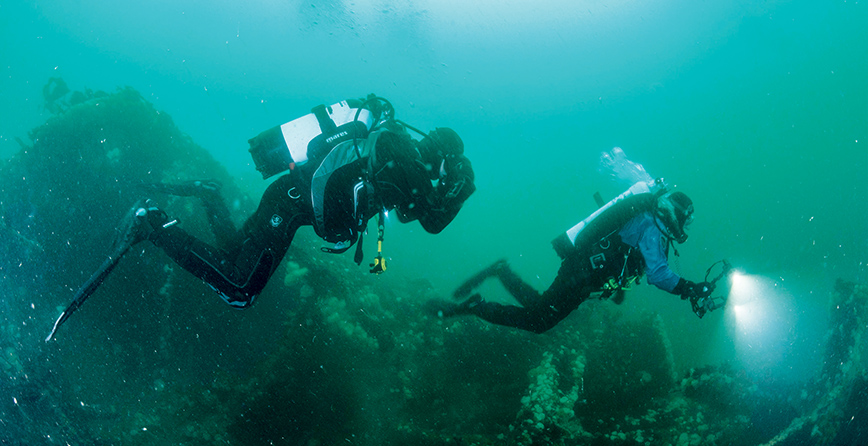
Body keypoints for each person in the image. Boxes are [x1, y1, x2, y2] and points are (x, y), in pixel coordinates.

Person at [122, 99, 475, 310]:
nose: (442, 179)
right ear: (442, 158)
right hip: (289, 206)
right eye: (446, 170)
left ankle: (210, 194)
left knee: (232, 251)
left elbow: (409, 211)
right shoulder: (408, 162)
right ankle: (150, 222)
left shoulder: (396, 153)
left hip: (288, 196)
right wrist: (463, 186)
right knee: (240, 289)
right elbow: (432, 220)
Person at [430, 181, 711, 334]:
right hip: (583, 273)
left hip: (585, 272)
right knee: (539, 321)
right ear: (678, 215)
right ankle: (473, 307)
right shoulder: (653, 226)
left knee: (539, 309)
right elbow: (659, 274)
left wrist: (619, 288)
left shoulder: (650, 220)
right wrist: (691, 288)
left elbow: (628, 256)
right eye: (687, 222)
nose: (686, 229)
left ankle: (502, 271)